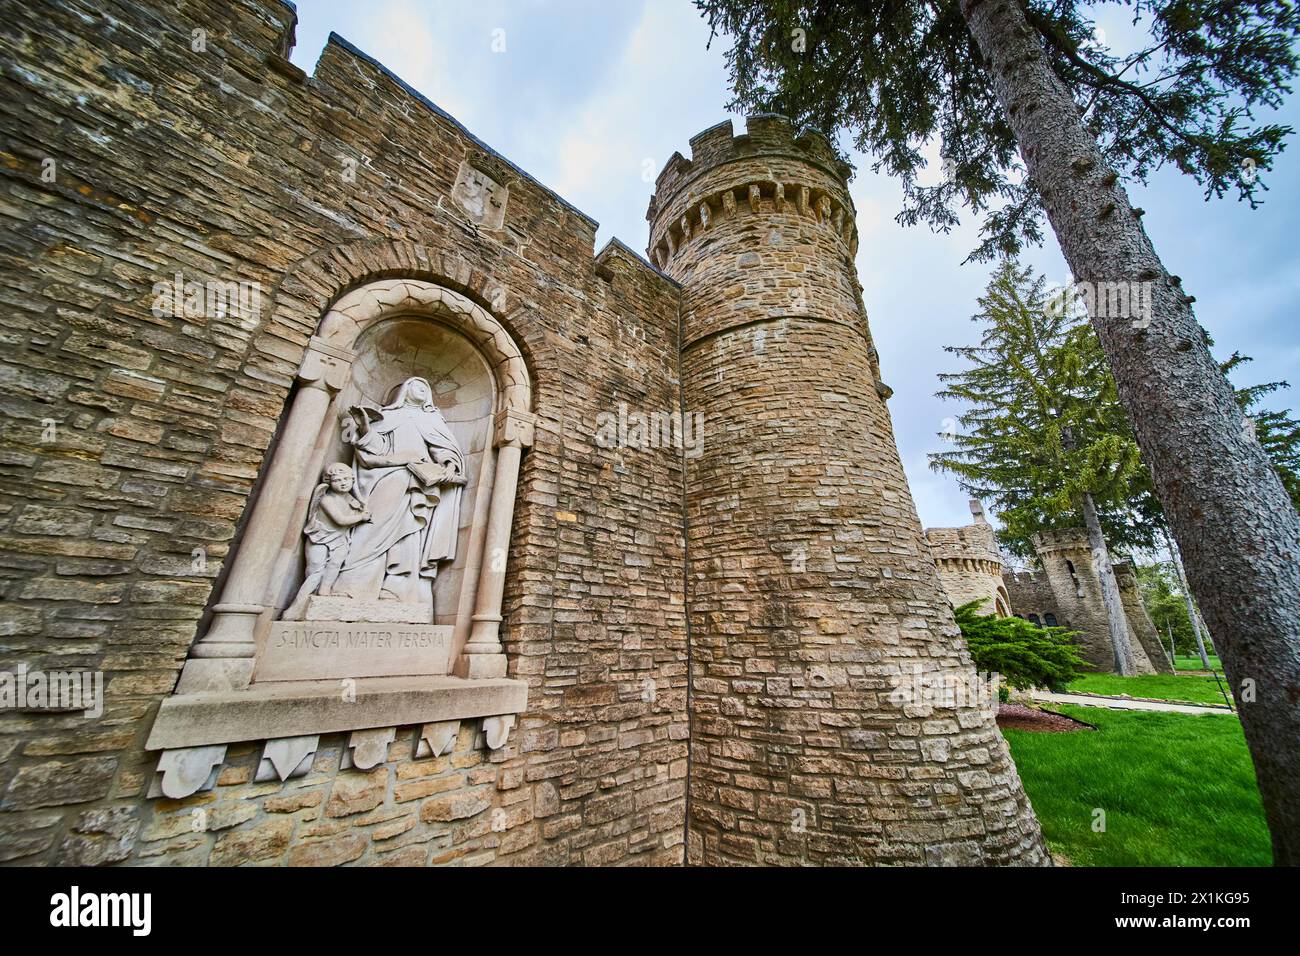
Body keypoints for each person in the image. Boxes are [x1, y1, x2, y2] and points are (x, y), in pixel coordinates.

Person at [282, 463, 371, 620]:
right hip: (320, 537)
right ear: (329, 482)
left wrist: (360, 506)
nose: (343, 483)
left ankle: (324, 592)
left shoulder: (351, 499)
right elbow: (341, 519)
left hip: (340, 539)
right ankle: (296, 608)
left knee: (335, 565)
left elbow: (360, 507)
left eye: (346, 479)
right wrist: (361, 517)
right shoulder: (326, 499)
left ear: (352, 480)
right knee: (315, 570)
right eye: (337, 480)